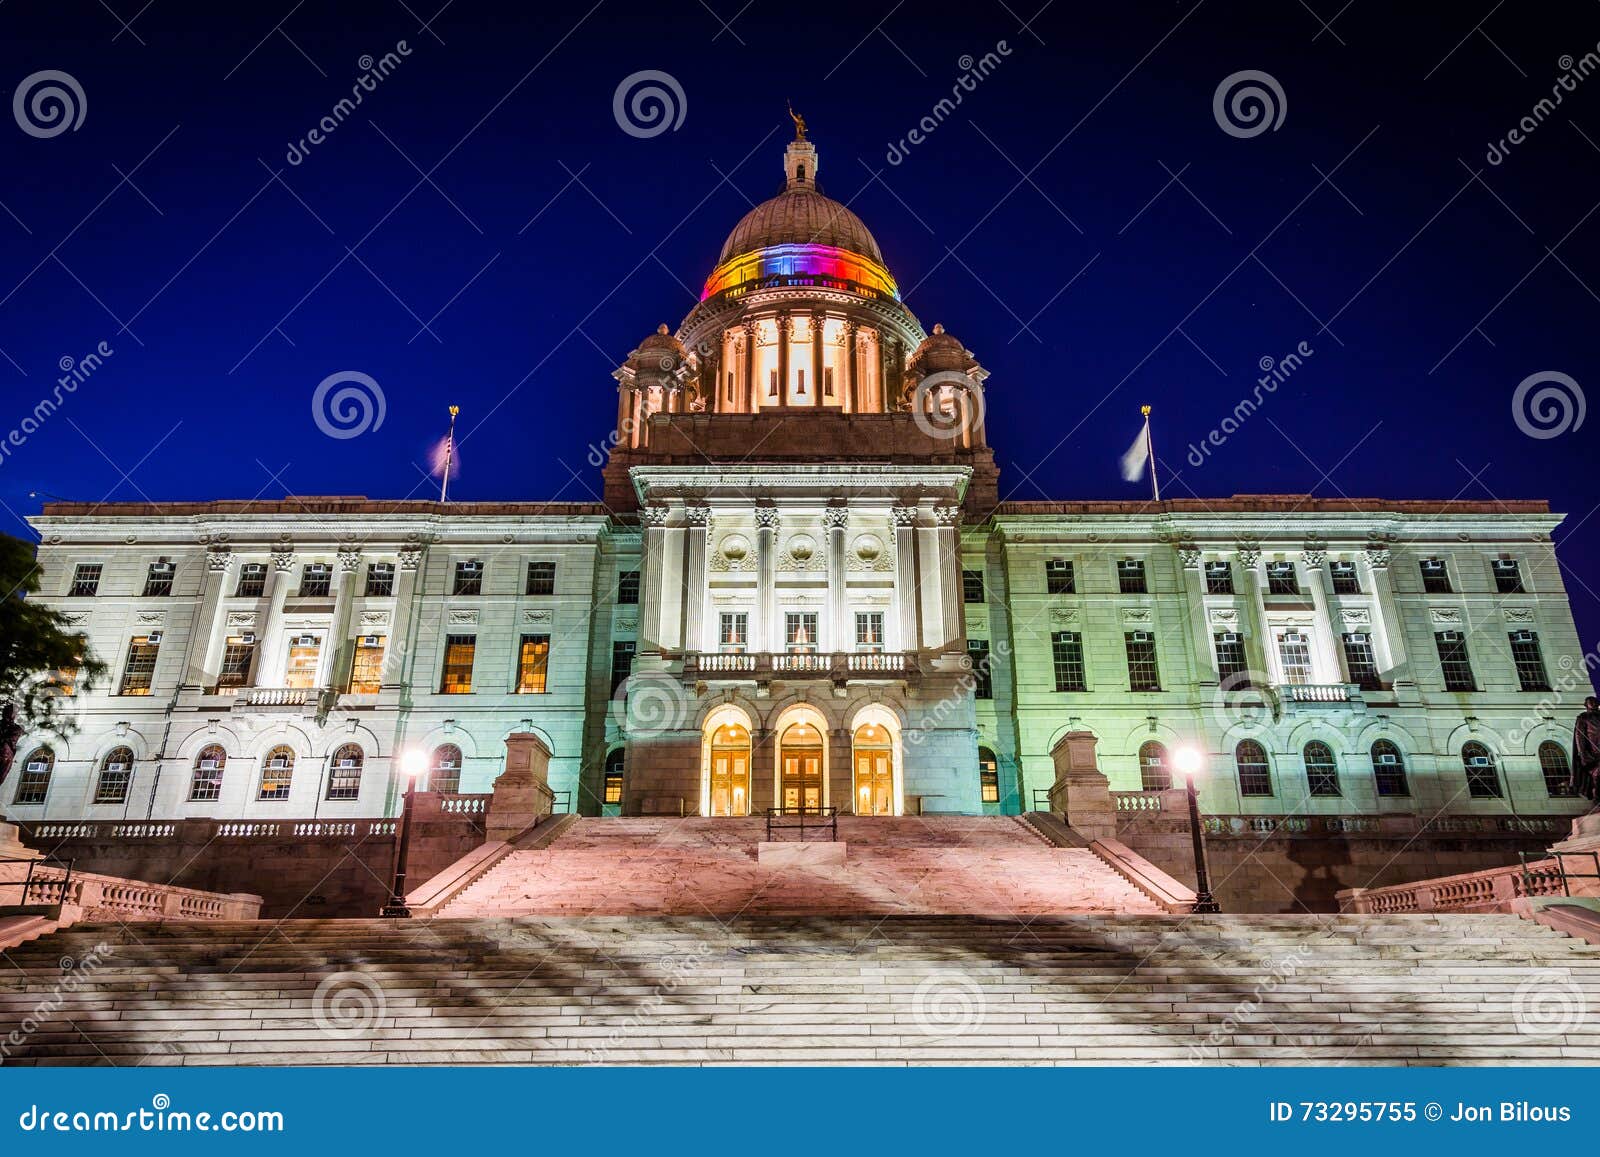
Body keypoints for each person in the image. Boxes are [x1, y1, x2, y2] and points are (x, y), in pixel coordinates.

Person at [1573, 696, 1600, 803]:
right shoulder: (1583, 717)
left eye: (1594, 701)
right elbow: (1580, 737)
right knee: (1597, 774)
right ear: (1586, 705)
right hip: (1594, 751)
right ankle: (1597, 797)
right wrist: (1583, 754)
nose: (1593, 704)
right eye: (1590, 702)